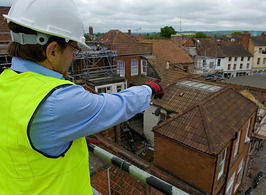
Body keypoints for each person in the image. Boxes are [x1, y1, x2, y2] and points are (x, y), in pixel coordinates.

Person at [0, 0, 164, 194]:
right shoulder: (57, 100)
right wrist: (149, 88)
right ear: (52, 50)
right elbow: (117, 105)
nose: (75, 57)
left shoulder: (5, 82)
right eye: (73, 48)